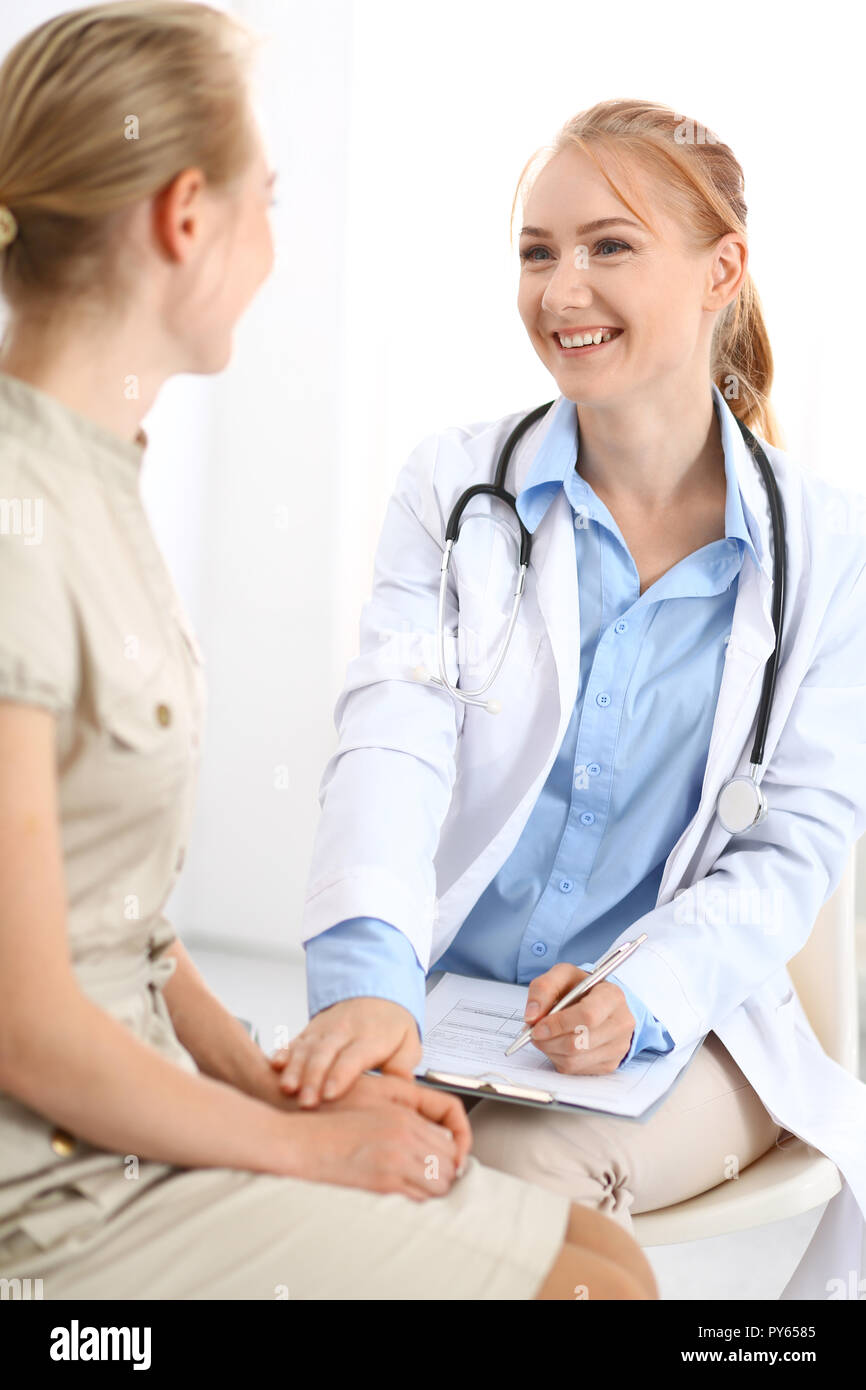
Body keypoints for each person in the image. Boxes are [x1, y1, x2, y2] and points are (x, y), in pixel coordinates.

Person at [0, 2, 659, 1302]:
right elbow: (27, 1016)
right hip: (53, 1196)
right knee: (601, 1296)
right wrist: (302, 1143)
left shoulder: (97, 476)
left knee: (609, 1256)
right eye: (269, 200)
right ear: (187, 218)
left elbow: (106, 906)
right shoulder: (18, 521)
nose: (273, 243)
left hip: (135, 1111)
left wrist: (260, 1074)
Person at [285, 98, 866, 1295]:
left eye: (608, 246)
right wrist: (367, 987)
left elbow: (795, 846)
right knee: (312, 1164)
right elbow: (389, 744)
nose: (561, 290)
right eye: (537, 251)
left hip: (687, 1032)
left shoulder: (825, 548)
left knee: (496, 1198)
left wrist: (639, 991)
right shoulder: (454, 489)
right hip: (444, 1002)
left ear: (721, 270)